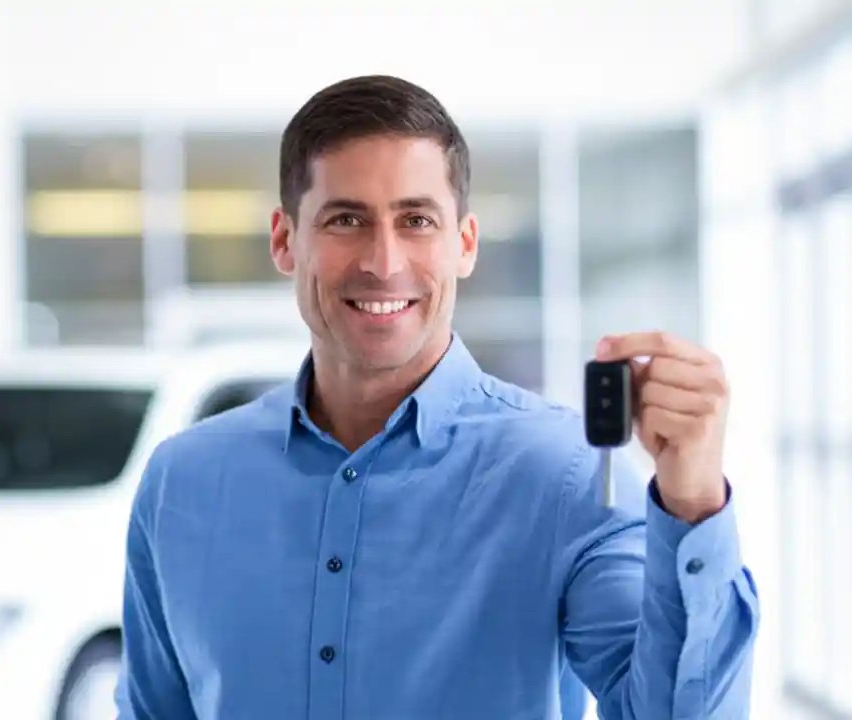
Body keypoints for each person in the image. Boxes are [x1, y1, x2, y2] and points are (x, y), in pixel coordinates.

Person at [115, 75, 757, 719]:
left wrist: (693, 501)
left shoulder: (568, 474)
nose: (383, 261)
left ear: (465, 244)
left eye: (416, 220)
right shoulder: (181, 483)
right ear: (285, 240)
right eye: (346, 220)